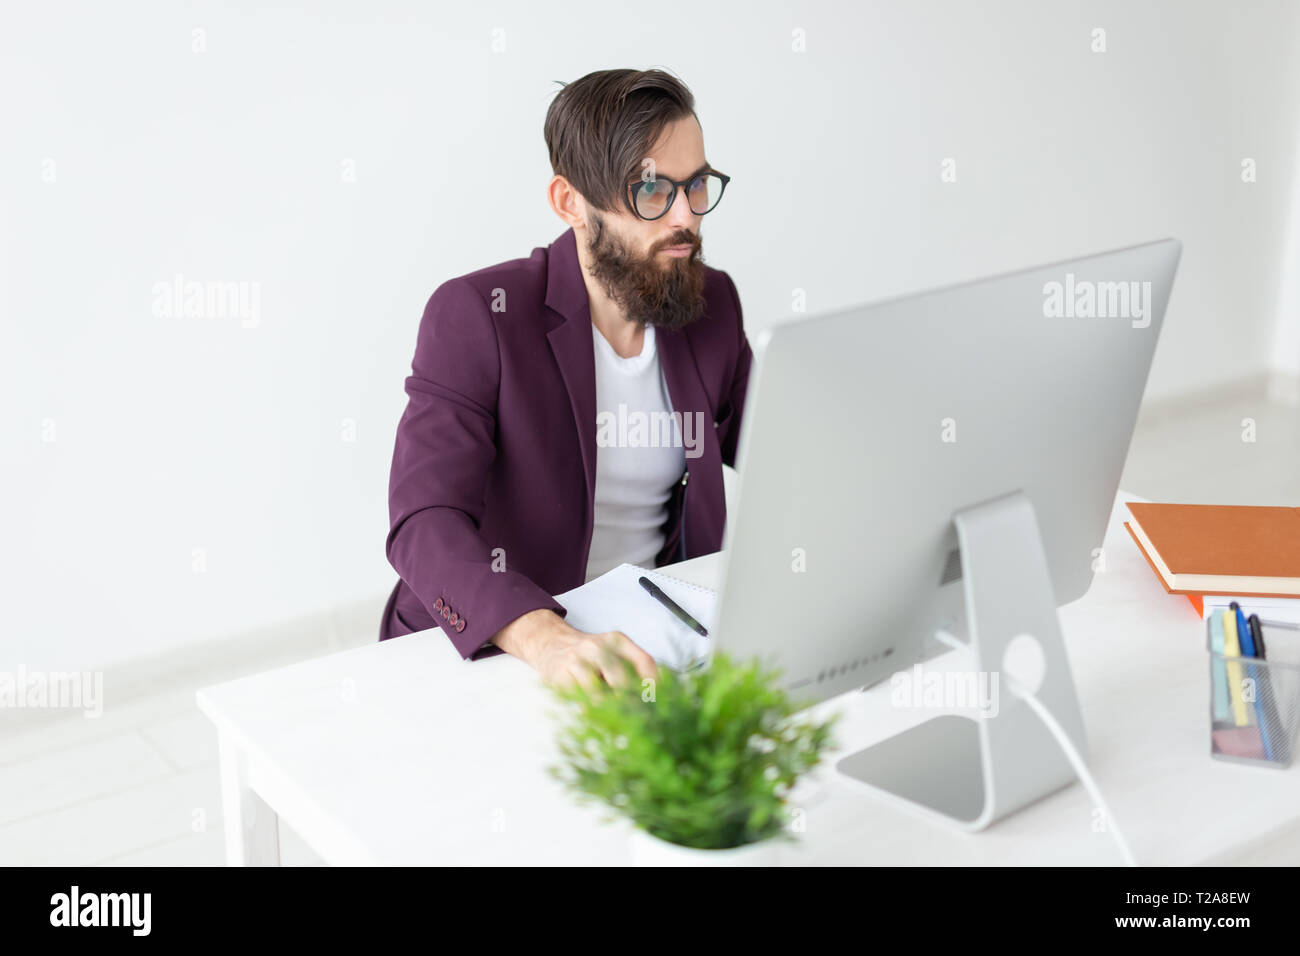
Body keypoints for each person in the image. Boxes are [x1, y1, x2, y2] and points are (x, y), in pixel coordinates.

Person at [379, 67, 752, 690]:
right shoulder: (480, 314)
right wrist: (544, 638)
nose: (686, 217)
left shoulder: (710, 303)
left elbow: (779, 456)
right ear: (569, 202)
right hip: (497, 642)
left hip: (648, 633)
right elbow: (424, 518)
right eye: (652, 190)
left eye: (697, 185)